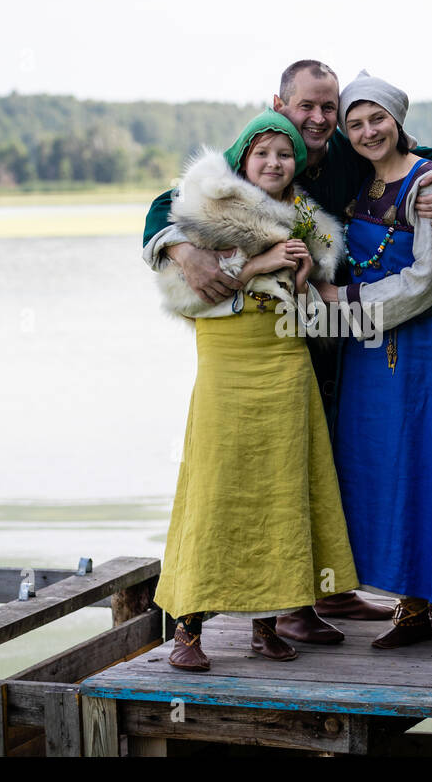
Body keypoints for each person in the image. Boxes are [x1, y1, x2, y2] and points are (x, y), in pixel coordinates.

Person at [142, 60, 432, 642]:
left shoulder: (353, 151)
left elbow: (418, 147)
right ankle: (293, 605)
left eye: (332, 109)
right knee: (291, 461)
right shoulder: (258, 149)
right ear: (279, 104)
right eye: (309, 107)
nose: (322, 119)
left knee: (332, 459)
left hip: (343, 328)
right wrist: (178, 248)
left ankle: (335, 588)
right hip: (290, 335)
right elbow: (170, 201)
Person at [152, 108, 358, 671]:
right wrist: (254, 262)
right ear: (243, 158)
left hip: (287, 362)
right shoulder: (203, 210)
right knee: (214, 492)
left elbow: (318, 295)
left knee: (281, 491)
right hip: (228, 364)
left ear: (297, 165)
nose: (274, 161)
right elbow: (184, 295)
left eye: (285, 153)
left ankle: (265, 626)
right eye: (263, 152)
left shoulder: (308, 221)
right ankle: (187, 631)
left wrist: (308, 283)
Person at [310, 71, 432, 649]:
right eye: (355, 122)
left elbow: (430, 276)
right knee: (381, 466)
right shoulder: (360, 184)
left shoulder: (430, 184)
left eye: (377, 119)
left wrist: (348, 304)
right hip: (366, 350)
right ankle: (406, 602)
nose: (367, 131)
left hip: (421, 345)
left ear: (397, 120)